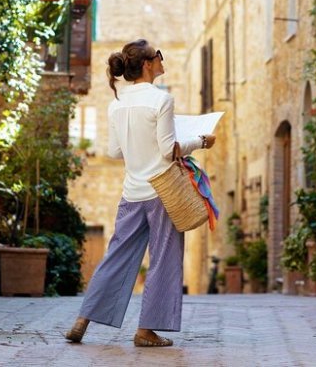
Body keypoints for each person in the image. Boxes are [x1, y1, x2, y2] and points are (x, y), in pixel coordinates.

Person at [65, 39, 216, 347]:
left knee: (116, 256)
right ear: (148, 64)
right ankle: (146, 330)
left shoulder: (116, 103)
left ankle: (84, 318)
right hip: (163, 191)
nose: (163, 61)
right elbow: (166, 150)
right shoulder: (162, 100)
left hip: (132, 191)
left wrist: (140, 148)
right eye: (159, 56)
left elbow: (113, 150)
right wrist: (200, 140)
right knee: (164, 257)